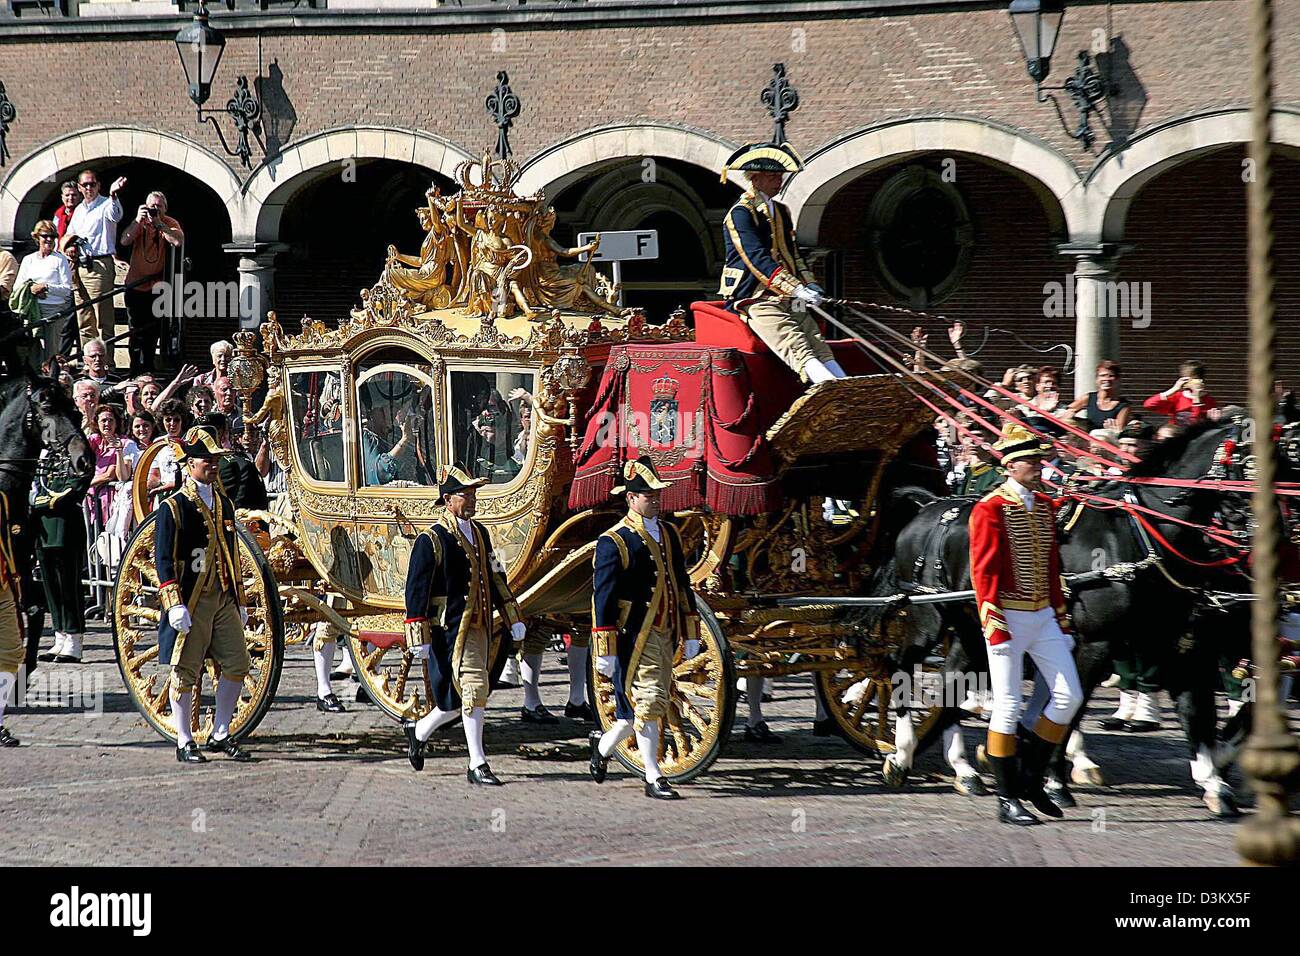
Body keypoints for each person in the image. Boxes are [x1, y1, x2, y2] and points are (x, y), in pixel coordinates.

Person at [968, 425, 1083, 825]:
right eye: (1032, 461)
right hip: (1008, 617)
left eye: (1039, 459)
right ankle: (1006, 798)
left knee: (1070, 696)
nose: (1039, 466)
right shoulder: (990, 508)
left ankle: (1031, 777)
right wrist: (994, 623)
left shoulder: (1045, 506)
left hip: (1044, 616)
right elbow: (983, 571)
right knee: (1008, 704)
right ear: (1010, 466)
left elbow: (1052, 566)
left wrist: (1060, 614)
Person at [401, 465, 527, 785]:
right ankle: (477, 763)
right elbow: (416, 588)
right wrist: (418, 632)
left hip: (481, 625)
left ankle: (418, 731)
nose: (472, 499)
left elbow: (496, 575)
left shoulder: (481, 533)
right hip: (450, 629)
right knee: (473, 690)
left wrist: (512, 615)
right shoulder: (432, 539)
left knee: (455, 704)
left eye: (473, 494)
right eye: (465, 494)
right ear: (447, 500)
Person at [587, 456, 701, 800]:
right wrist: (603, 649)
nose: (654, 499)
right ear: (630, 498)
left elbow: (682, 583)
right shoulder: (615, 540)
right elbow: (602, 598)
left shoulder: (668, 533)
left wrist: (692, 630)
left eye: (656, 493)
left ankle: (603, 748)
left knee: (632, 714)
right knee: (650, 701)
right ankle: (653, 776)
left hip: (667, 630)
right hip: (633, 634)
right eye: (646, 494)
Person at [155, 424, 252, 763]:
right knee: (185, 670)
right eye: (204, 459)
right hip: (192, 598)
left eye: (213, 459)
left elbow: (232, 553)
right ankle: (183, 740)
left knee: (238, 663)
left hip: (222, 595)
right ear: (189, 464)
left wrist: (240, 600)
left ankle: (221, 731)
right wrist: (173, 604)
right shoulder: (173, 507)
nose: (211, 464)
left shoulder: (224, 503)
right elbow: (163, 559)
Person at [718, 141, 844, 384]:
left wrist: (810, 284)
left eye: (780, 175)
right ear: (755, 178)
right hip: (753, 295)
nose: (780, 180)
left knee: (814, 337)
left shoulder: (782, 211)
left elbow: (794, 255)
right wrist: (795, 288)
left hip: (786, 295)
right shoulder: (740, 213)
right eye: (773, 176)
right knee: (794, 341)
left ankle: (843, 385)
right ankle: (829, 388)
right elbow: (755, 258)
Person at [32, 446, 88, 666]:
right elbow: (35, 485)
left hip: (65, 527)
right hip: (43, 529)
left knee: (69, 586)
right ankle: (60, 635)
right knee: (51, 587)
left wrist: (42, 502)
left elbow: (72, 489)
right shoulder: (46, 456)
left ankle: (74, 639)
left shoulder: (78, 455)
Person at [62, 169, 126, 359]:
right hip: (80, 265)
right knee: (84, 319)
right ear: (80, 188)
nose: (89, 188)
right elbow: (70, 233)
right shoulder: (80, 209)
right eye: (85, 185)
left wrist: (114, 194)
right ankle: (89, 362)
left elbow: (116, 215)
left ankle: (107, 363)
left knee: (102, 317)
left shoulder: (106, 204)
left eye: (92, 184)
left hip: (99, 265)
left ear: (99, 185)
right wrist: (69, 247)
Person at [119, 190, 183, 373]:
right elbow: (124, 240)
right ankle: (134, 368)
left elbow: (178, 241)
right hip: (135, 285)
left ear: (165, 208)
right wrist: (138, 221)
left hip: (157, 287)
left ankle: (148, 367)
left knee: (152, 330)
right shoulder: (140, 222)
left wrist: (160, 225)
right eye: (151, 206)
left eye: (159, 206)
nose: (154, 209)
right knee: (135, 330)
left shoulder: (169, 222)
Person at [14, 221, 74, 365]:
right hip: (33, 309)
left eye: (53, 236)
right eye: (45, 236)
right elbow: (18, 286)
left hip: (54, 310)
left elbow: (67, 289)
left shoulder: (60, 260)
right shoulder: (29, 260)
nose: (49, 240)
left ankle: (51, 380)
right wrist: (33, 289)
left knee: (51, 351)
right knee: (33, 348)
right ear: (37, 238)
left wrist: (46, 287)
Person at [0, 490, 23, 747]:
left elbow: (5, 540)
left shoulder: (2, 498)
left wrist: (15, 579)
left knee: (11, 653)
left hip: (2, 585)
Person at [1062, 359, 1132, 432]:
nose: (1106, 379)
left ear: (1117, 380)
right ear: (1097, 379)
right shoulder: (1088, 398)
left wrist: (1114, 431)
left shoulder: (1123, 405)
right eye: (1103, 375)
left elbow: (1119, 430)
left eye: (1111, 376)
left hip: (1107, 440)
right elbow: (1066, 412)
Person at [1143, 361, 1219, 426]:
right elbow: (1149, 405)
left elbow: (1194, 423)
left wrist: (1196, 398)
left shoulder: (1209, 400)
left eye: (1194, 379)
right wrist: (1173, 389)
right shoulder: (1177, 397)